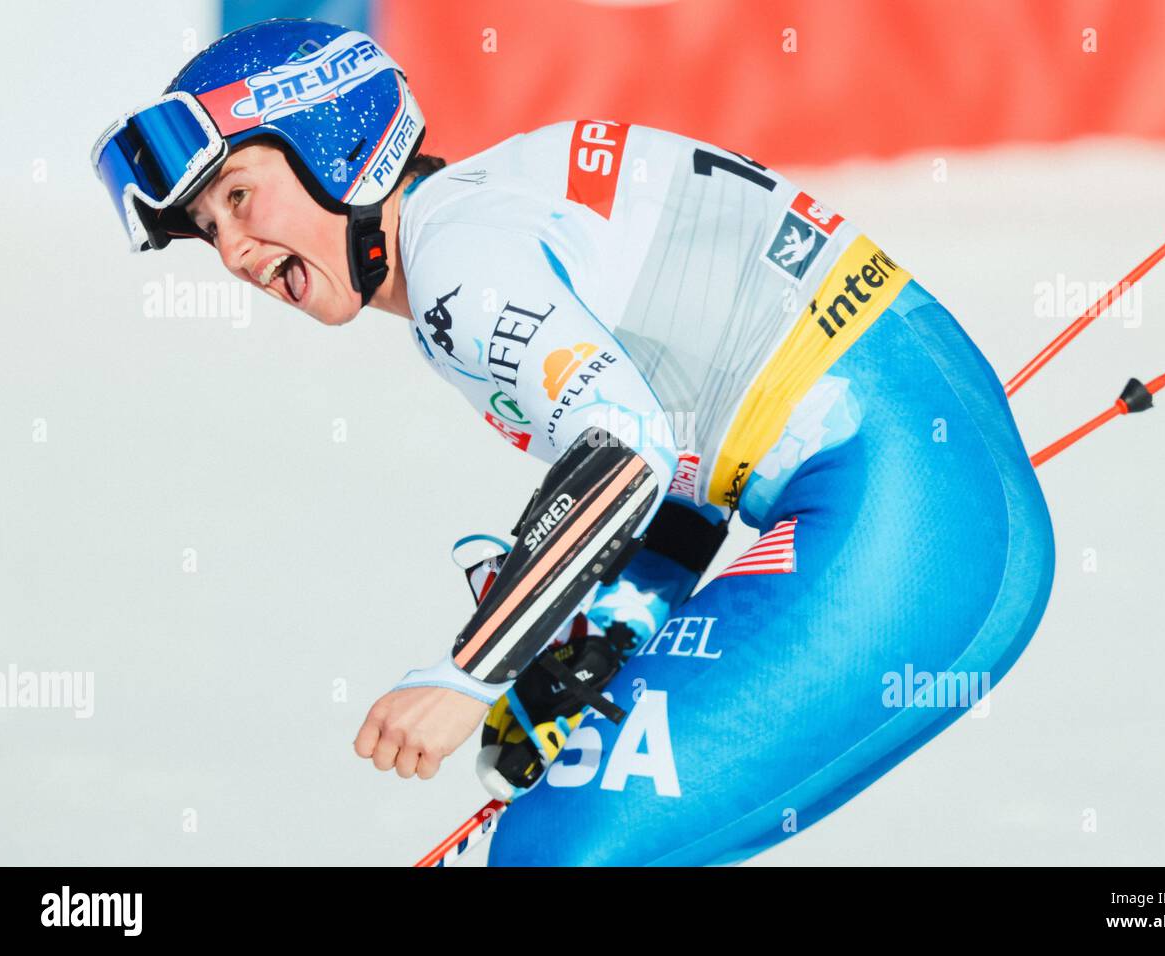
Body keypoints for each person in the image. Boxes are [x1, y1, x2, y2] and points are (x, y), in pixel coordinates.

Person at [93, 18, 1055, 866]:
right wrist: (592, 646)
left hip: (907, 509)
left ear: (328, 147)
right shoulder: (489, 203)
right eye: (207, 229)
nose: (231, 254)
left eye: (240, 198)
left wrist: (474, 667)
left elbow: (627, 449)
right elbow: (678, 464)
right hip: (921, 484)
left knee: (556, 853)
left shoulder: (456, 271)